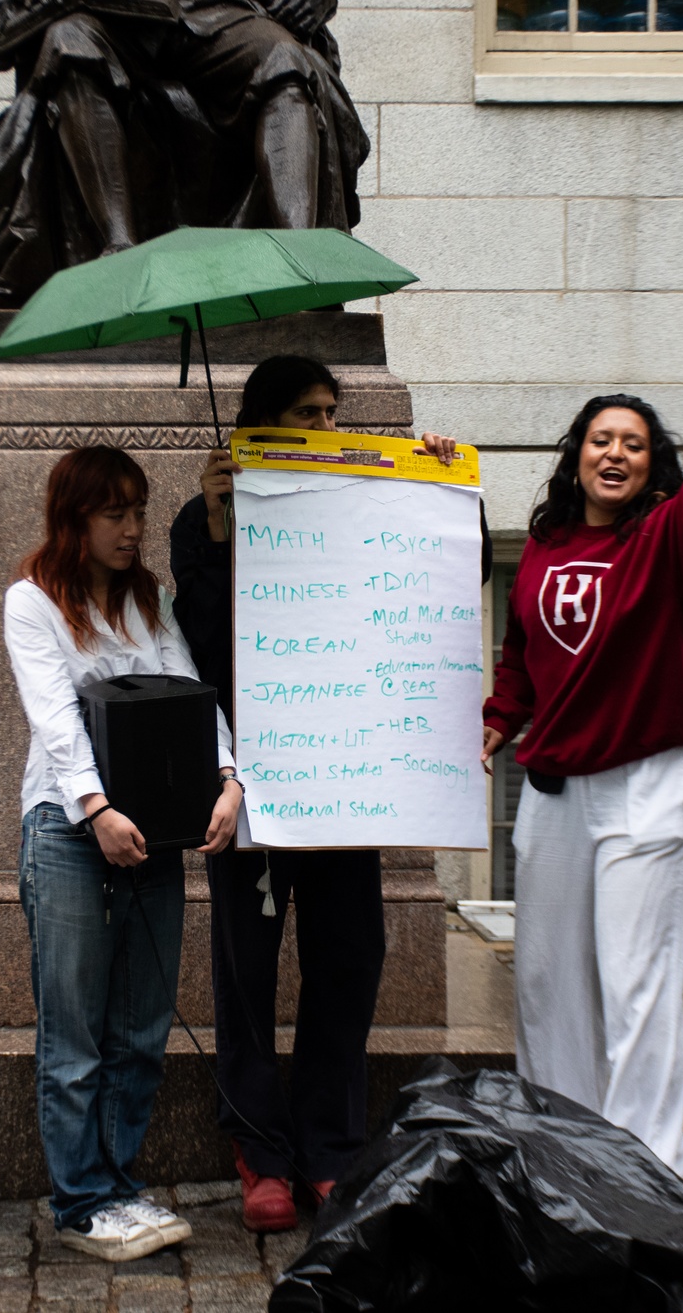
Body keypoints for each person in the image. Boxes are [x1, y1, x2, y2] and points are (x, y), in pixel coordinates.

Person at [170, 354, 479, 1233]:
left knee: (348, 964)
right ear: (264, 421)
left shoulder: (366, 501)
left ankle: (331, 1145)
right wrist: (226, 527)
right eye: (307, 412)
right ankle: (259, 1151)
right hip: (252, 788)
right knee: (247, 974)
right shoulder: (203, 517)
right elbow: (201, 645)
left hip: (349, 782)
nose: (326, 428)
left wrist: (451, 497)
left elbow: (451, 583)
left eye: (332, 412)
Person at [479, 348, 683, 1178]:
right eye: (601, 439)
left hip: (647, 782)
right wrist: (503, 717)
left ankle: (649, 1172)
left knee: (635, 985)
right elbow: (520, 650)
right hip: (555, 789)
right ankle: (562, 1153)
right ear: (577, 456)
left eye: (634, 444)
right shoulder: (543, 547)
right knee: (545, 983)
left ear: (653, 468)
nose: (615, 453)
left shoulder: (669, 539)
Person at [4, 445, 244, 1261]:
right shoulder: (32, 601)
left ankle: (118, 1184)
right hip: (70, 831)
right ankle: (80, 1201)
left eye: (139, 511)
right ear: (74, 518)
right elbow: (54, 718)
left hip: (156, 831)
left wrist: (228, 775)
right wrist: (97, 807)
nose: (133, 528)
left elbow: (190, 689)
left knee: (141, 1023)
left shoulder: (153, 601)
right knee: (73, 1030)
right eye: (116, 513)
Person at [0, 0, 368, 308]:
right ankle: (120, 247)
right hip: (107, 21)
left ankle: (298, 257)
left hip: (215, 15)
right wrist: (40, 5)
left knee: (286, 57)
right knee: (67, 39)